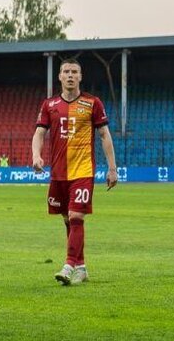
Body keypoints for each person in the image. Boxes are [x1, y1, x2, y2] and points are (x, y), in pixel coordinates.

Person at [32, 57, 119, 285]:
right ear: (60, 76)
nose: (70, 75)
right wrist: (36, 155)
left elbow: (104, 135)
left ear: (80, 76)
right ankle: (81, 267)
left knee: (76, 216)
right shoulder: (49, 105)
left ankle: (69, 265)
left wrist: (112, 168)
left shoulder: (93, 103)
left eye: (74, 72)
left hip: (83, 170)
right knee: (67, 220)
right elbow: (39, 133)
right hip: (59, 173)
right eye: (66, 72)